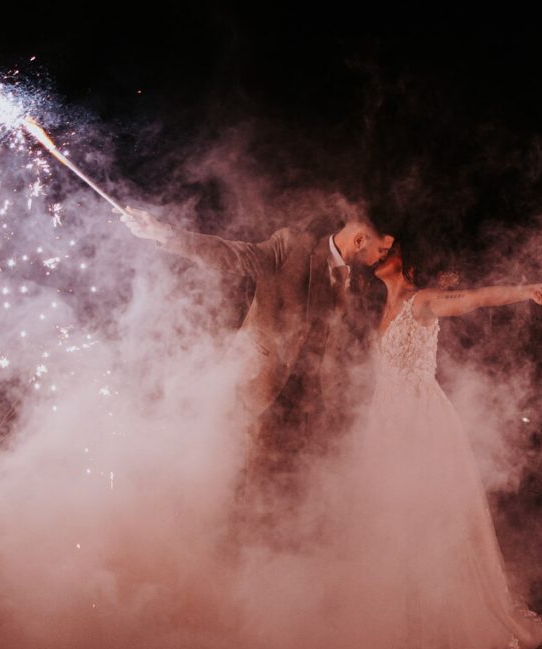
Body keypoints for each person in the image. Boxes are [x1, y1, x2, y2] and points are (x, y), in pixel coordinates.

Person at [117, 205, 395, 543]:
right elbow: (232, 255)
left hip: (307, 403)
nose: (381, 257)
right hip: (261, 384)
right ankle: (218, 556)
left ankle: (266, 561)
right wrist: (166, 234)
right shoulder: (292, 246)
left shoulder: (357, 282)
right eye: (381, 249)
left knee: (280, 492)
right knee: (237, 479)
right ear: (361, 239)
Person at [352, 241, 542, 649]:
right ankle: (405, 629)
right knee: (392, 520)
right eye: (375, 248)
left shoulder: (423, 301)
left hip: (420, 421)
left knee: (431, 519)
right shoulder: (380, 307)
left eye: (388, 248)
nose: (376, 253)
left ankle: (450, 625)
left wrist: (527, 290)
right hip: (386, 421)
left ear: (406, 259)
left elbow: (477, 298)